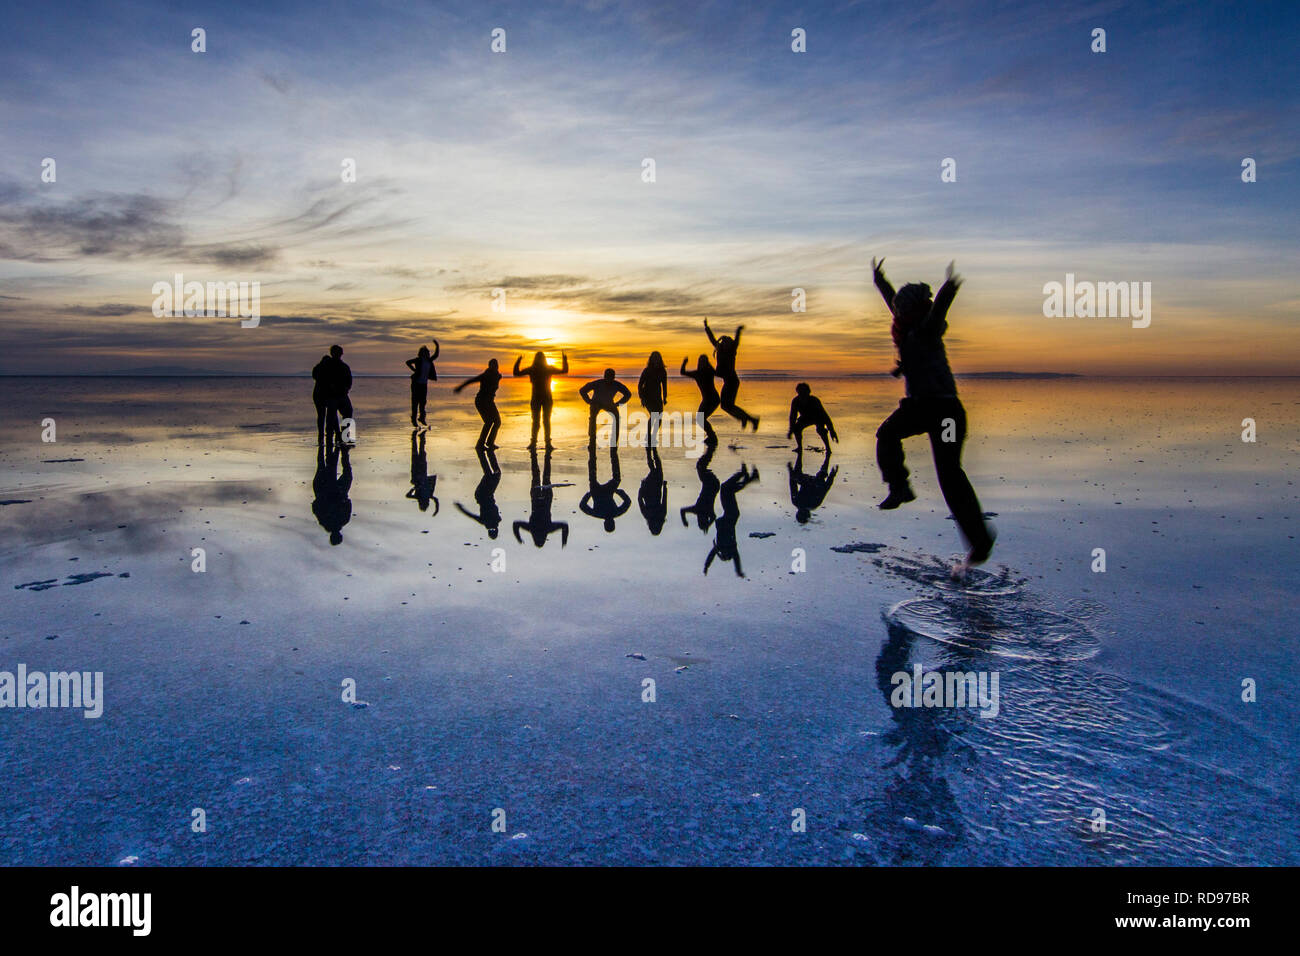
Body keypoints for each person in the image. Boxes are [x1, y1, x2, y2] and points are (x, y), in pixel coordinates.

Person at [871, 257, 995, 567]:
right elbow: (892, 302)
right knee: (887, 434)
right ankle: (899, 487)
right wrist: (879, 280)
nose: (896, 311)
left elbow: (938, 309)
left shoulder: (925, 328)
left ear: (912, 309)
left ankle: (979, 542)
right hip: (919, 407)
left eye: (902, 308)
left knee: (950, 474)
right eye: (896, 308)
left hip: (945, 413)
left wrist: (948, 288)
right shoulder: (905, 326)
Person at [704, 318, 758, 432]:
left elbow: (737, 341)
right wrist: (706, 327)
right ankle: (745, 418)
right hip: (729, 382)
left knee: (726, 405)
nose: (725, 344)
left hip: (732, 382)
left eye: (728, 342)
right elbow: (712, 339)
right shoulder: (719, 350)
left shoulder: (732, 351)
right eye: (724, 343)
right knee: (727, 406)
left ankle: (750, 419)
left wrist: (738, 331)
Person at [513, 448, 569, 547]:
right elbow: (516, 524)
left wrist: (564, 540)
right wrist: (518, 537)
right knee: (538, 476)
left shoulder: (546, 528)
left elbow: (564, 526)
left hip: (543, 499)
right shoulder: (532, 528)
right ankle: (536, 454)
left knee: (544, 476)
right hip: (538, 498)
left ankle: (544, 454)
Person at [513, 350, 568, 449]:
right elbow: (564, 370)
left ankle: (536, 443)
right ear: (544, 359)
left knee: (537, 421)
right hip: (545, 398)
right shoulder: (546, 369)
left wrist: (518, 361)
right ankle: (544, 443)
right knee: (545, 421)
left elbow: (516, 373)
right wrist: (564, 360)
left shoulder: (533, 369)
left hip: (538, 398)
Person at [454, 359, 502, 450]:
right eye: (493, 365)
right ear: (490, 366)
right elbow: (472, 380)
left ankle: (490, 442)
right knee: (488, 422)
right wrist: (460, 387)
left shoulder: (498, 376)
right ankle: (480, 444)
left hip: (490, 401)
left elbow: (498, 378)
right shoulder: (485, 375)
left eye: (496, 365)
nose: (495, 367)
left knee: (497, 422)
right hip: (481, 401)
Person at [579, 368, 632, 448]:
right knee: (593, 418)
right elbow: (582, 390)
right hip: (596, 403)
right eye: (607, 377)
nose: (609, 379)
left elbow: (628, 394)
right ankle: (592, 438)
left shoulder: (616, 384)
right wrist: (589, 401)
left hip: (609, 404)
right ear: (604, 376)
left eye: (611, 377)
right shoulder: (597, 383)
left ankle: (614, 440)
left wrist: (618, 404)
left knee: (617, 418)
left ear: (614, 377)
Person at [456, 447, 502, 539]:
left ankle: (484, 453)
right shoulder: (490, 521)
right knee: (492, 474)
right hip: (484, 495)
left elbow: (471, 515)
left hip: (484, 495)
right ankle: (487, 453)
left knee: (493, 474)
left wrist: (461, 508)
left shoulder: (492, 520)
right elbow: (471, 515)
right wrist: (461, 508)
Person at [788, 447, 838, 524]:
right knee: (819, 476)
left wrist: (832, 476)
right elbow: (793, 485)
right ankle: (826, 460)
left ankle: (826, 460)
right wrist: (791, 472)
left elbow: (825, 488)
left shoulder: (812, 504)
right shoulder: (798, 502)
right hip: (812, 483)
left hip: (811, 483)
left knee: (820, 476)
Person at [680, 354, 721, 447]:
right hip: (706, 400)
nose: (702, 363)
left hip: (714, 399)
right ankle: (711, 436)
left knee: (701, 418)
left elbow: (718, 373)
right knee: (700, 419)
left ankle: (712, 437)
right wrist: (684, 363)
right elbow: (682, 372)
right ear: (699, 363)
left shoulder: (710, 371)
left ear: (707, 363)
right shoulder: (697, 373)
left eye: (704, 361)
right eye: (701, 361)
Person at [787, 382, 839, 452]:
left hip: (817, 417)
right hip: (805, 418)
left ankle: (828, 448)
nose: (803, 394)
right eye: (800, 392)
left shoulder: (814, 400)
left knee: (821, 430)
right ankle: (799, 447)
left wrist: (832, 431)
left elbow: (825, 415)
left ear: (808, 392)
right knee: (796, 429)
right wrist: (791, 430)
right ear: (798, 392)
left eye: (804, 392)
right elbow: (793, 416)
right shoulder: (796, 401)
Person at [405, 341, 439, 427]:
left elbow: (436, 355)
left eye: (428, 352)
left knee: (423, 402)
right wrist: (414, 370)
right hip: (416, 384)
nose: (428, 353)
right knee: (415, 402)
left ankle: (422, 418)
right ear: (422, 353)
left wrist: (437, 346)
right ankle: (414, 420)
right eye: (427, 352)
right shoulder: (418, 360)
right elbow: (408, 362)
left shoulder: (429, 360)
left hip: (424, 384)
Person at [637, 352, 668, 447]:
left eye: (657, 358)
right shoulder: (647, 370)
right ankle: (648, 436)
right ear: (651, 359)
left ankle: (653, 435)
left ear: (660, 359)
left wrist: (665, 397)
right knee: (654, 416)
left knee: (659, 418)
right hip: (647, 397)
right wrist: (642, 398)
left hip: (657, 397)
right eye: (654, 358)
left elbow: (664, 385)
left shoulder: (663, 371)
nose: (656, 360)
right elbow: (640, 385)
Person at [405, 428, 439, 514]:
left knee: (416, 452)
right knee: (421, 452)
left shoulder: (418, 497)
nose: (426, 502)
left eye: (426, 504)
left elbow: (408, 495)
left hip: (416, 473)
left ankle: (415, 436)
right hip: (422, 472)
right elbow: (436, 500)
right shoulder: (428, 496)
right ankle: (421, 436)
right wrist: (436, 510)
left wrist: (414, 488)